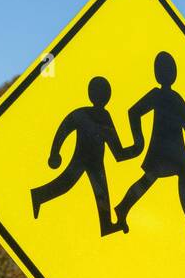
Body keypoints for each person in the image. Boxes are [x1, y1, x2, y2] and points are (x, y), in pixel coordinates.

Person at [113, 51, 185, 241]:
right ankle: (123, 208)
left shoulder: (176, 98)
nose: (171, 73)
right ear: (159, 74)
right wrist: (139, 140)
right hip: (164, 148)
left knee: (173, 181)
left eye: (172, 70)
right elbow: (134, 112)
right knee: (154, 180)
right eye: (167, 70)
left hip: (174, 148)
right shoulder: (159, 95)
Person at [30, 76, 136, 237]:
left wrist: (136, 149)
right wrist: (54, 153)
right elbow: (64, 129)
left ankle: (106, 224)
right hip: (83, 159)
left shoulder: (88, 114)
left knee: (98, 191)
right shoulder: (88, 115)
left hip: (94, 162)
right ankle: (38, 196)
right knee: (68, 185)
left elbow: (117, 152)